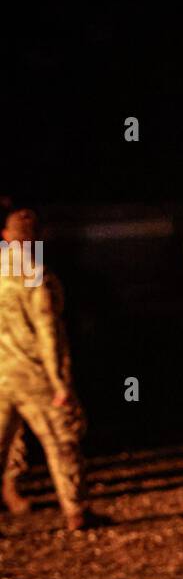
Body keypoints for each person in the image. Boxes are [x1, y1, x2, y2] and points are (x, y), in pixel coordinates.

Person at [0, 204, 94, 531]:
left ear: (5, 237)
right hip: (33, 375)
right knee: (60, 441)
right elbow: (48, 332)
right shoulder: (35, 275)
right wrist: (59, 383)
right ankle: (75, 511)